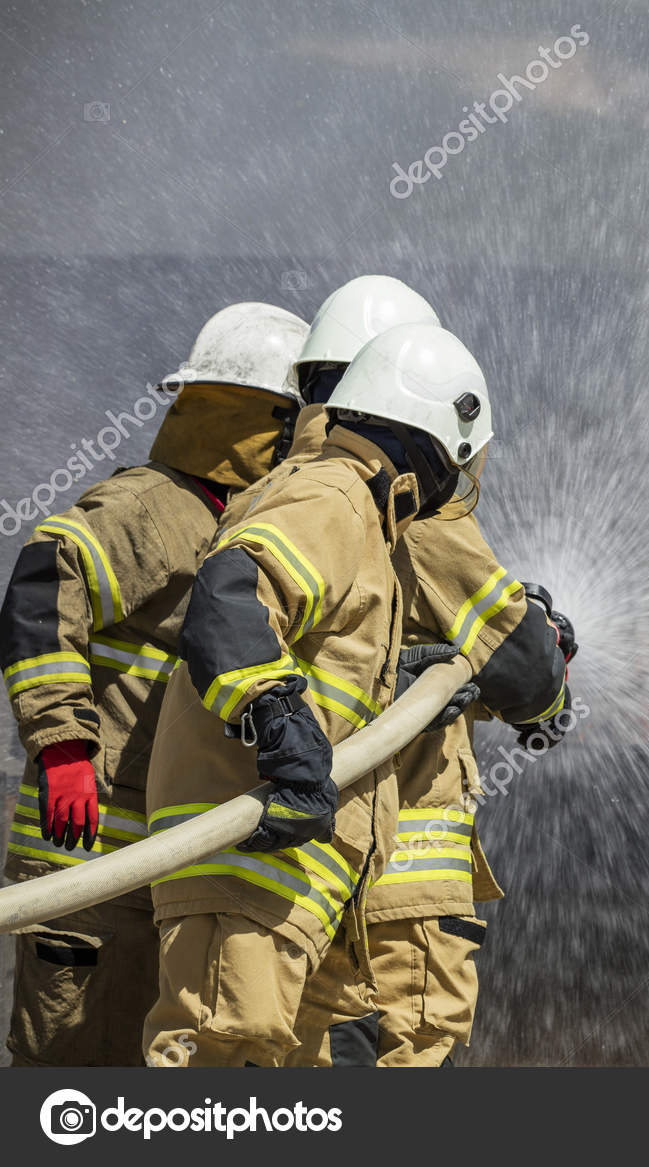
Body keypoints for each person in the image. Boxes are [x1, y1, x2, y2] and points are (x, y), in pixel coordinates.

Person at [140, 323, 494, 1067]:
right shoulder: (333, 493)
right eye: (449, 467)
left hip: (294, 871)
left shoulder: (359, 516)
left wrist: (400, 681)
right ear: (428, 443)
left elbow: (311, 641)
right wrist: (278, 720)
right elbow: (234, 595)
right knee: (218, 1059)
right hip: (245, 858)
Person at [263, 278, 576, 1066]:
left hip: (287, 863)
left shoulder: (269, 490)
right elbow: (527, 671)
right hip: (394, 881)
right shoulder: (420, 512)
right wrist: (543, 654)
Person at [0, 302, 309, 1065]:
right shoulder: (158, 507)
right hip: (88, 861)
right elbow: (44, 582)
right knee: (75, 1073)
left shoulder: (228, 524)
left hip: (154, 865)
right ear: (265, 421)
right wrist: (63, 743)